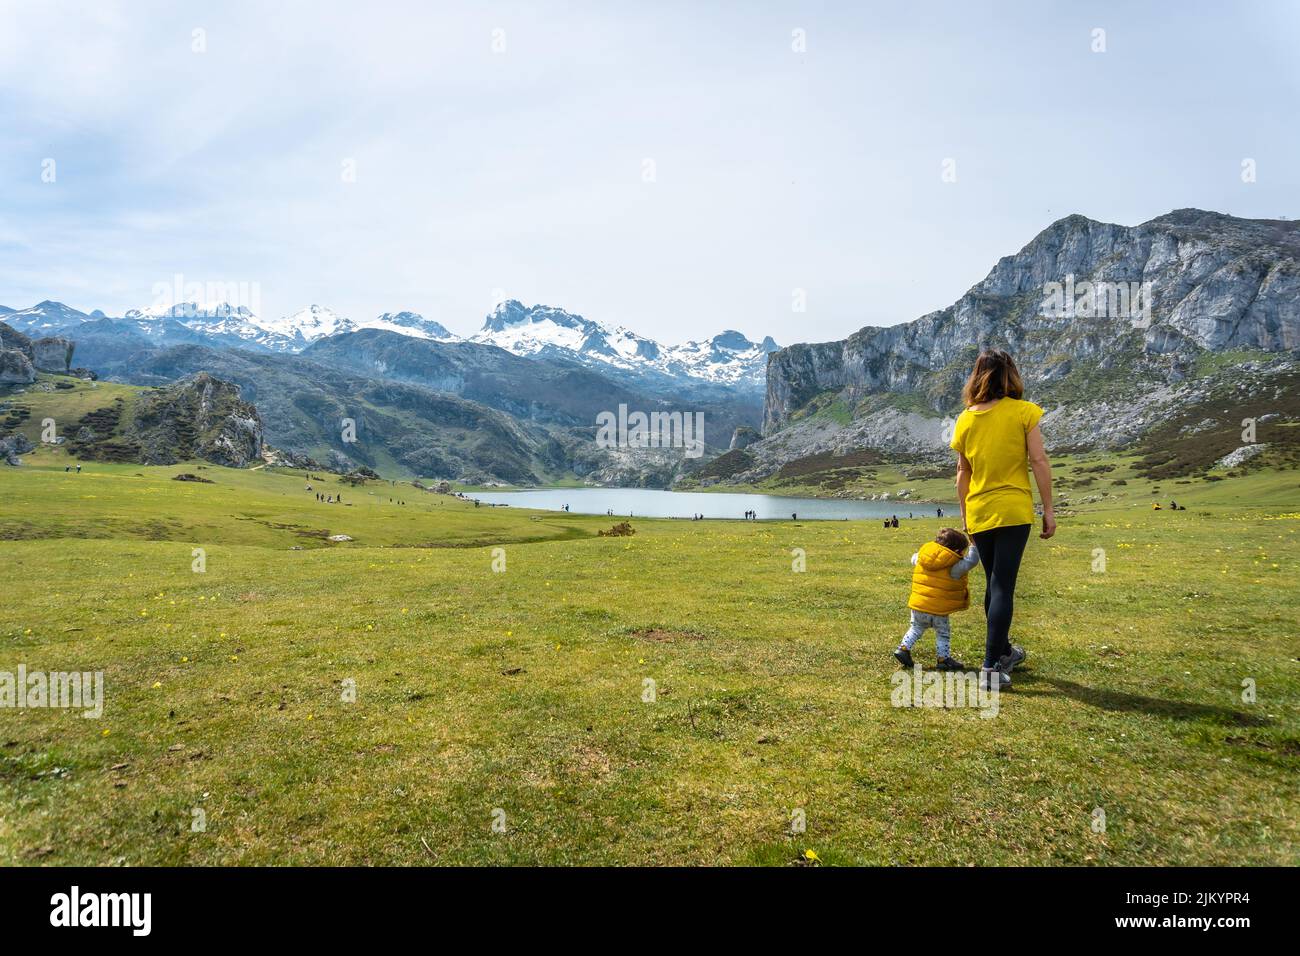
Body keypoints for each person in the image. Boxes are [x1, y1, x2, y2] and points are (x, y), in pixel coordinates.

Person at [951, 349, 1055, 691]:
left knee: (994, 583)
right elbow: (1038, 461)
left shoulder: (966, 419)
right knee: (1002, 586)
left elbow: (962, 474)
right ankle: (991, 667)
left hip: (979, 512)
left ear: (977, 376)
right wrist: (1049, 510)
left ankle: (1004, 651)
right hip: (1012, 510)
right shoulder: (1024, 412)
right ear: (1010, 375)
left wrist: (966, 515)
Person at [894, 528, 980, 671]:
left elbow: (913, 557)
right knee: (942, 634)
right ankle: (943, 659)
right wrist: (974, 544)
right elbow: (971, 561)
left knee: (916, 628)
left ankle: (903, 648)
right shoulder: (954, 566)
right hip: (939, 610)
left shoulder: (921, 557)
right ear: (957, 550)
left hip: (919, 606)